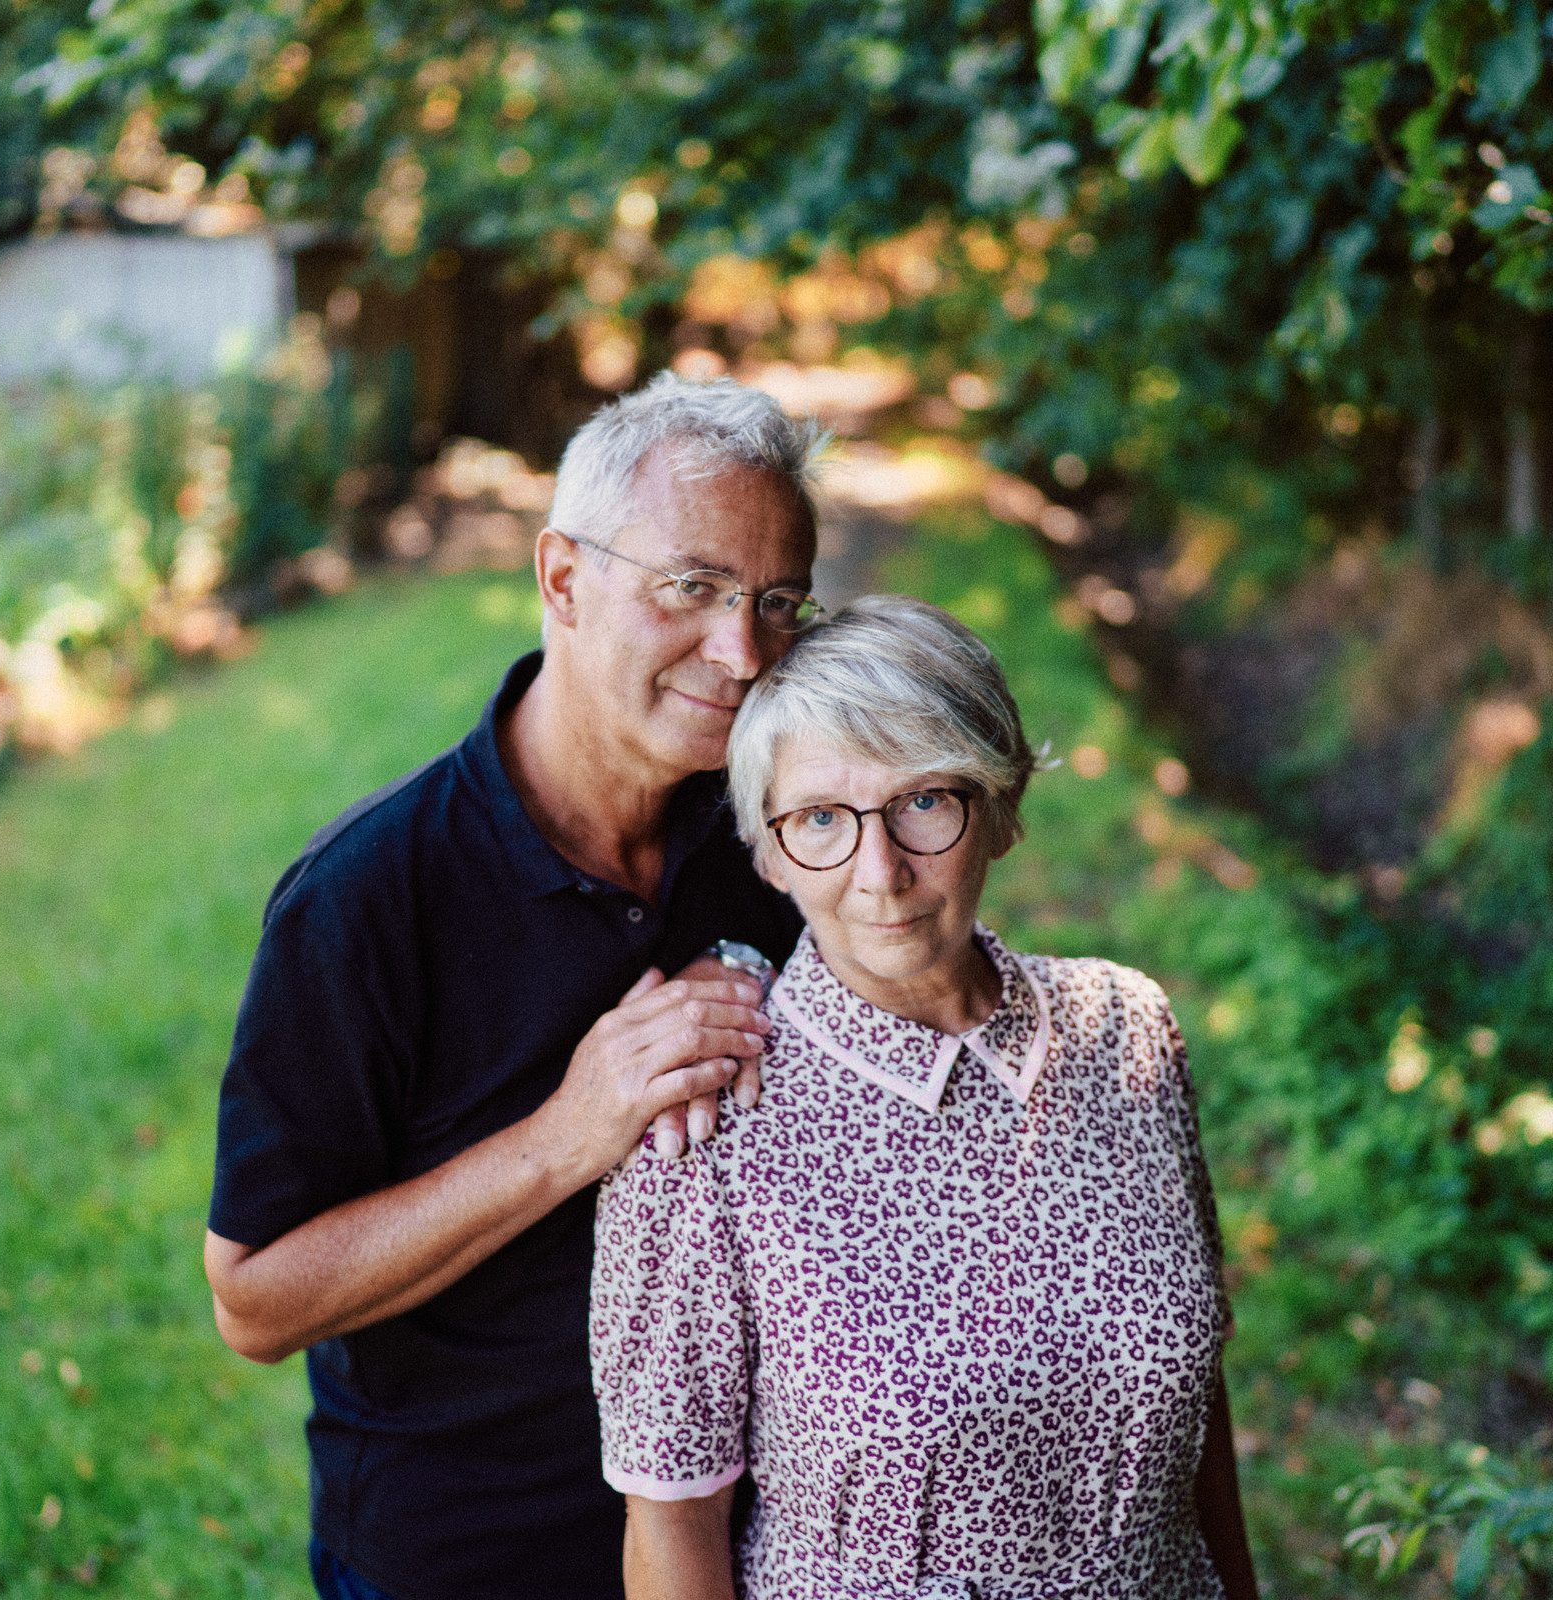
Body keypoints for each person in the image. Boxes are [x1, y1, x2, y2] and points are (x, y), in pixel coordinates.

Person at [203, 373, 829, 1600]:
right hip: (467, 1552)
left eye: (776, 602)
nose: (742, 649)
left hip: (747, 1541)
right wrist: (567, 1133)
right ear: (561, 579)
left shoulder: (781, 838)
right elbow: (257, 1301)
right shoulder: (366, 897)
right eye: (689, 587)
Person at [590, 594, 1259, 1600]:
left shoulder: (1127, 1030)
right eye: (820, 818)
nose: (881, 872)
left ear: (996, 806)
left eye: (924, 801)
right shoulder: (704, 1128)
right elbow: (674, 1520)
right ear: (768, 852)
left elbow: (1191, 1399)